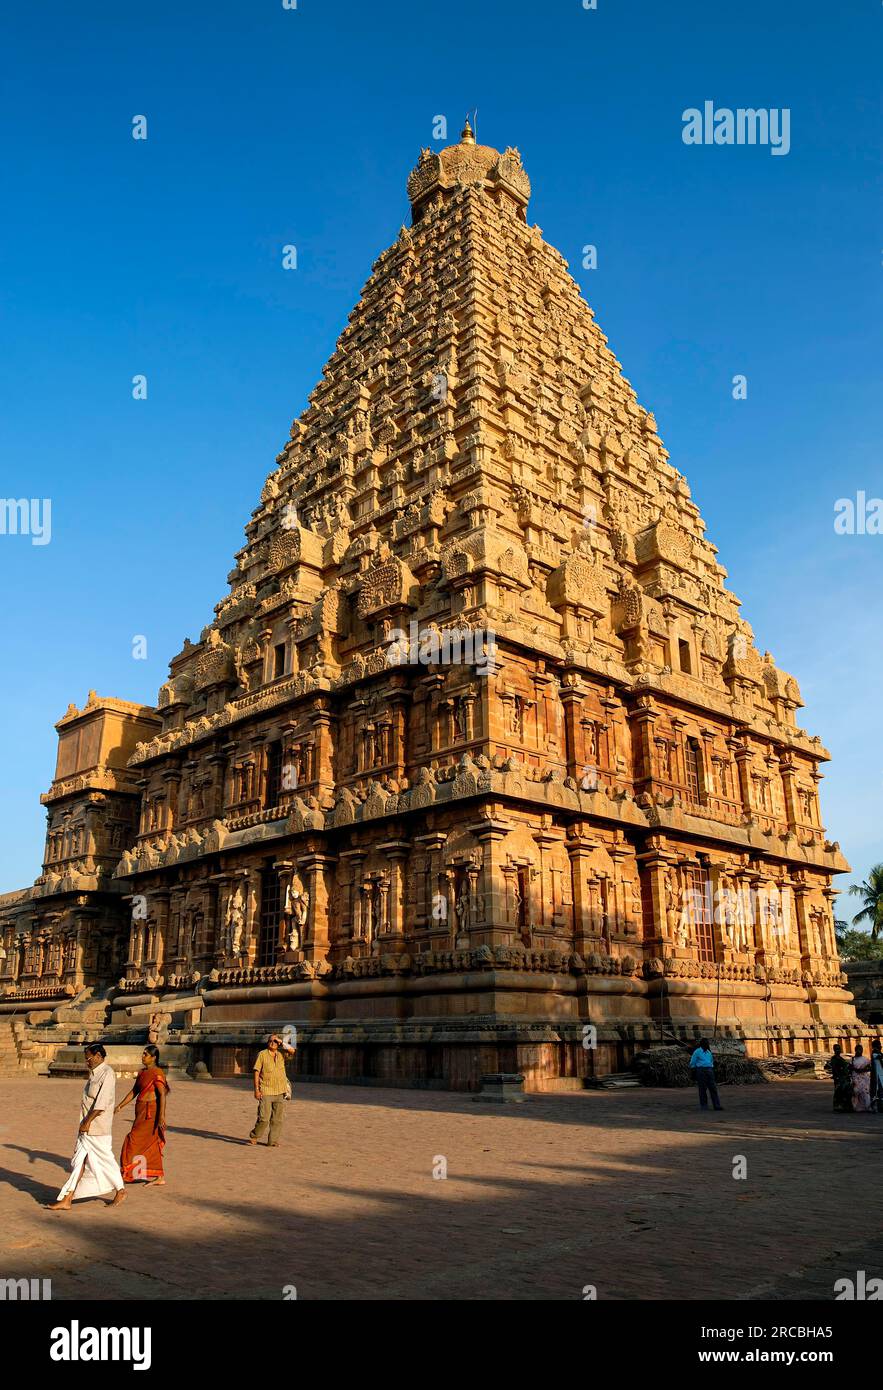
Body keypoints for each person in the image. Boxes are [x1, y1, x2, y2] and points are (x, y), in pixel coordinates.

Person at [47, 1043, 126, 1211]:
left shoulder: (107, 1074)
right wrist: (83, 1123)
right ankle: (67, 1198)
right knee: (78, 1161)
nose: (87, 1062)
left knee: (106, 1160)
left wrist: (88, 1121)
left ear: (98, 1056)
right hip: (85, 1127)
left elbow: (101, 1103)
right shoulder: (94, 1074)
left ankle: (120, 1189)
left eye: (88, 1058)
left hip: (97, 1127)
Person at [116, 1044, 170, 1185]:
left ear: (154, 1057)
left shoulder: (157, 1073)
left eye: (145, 1054)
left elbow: (162, 1095)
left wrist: (161, 1116)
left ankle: (126, 1172)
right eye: (143, 1054)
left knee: (131, 1140)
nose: (142, 1056)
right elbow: (134, 1092)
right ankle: (159, 1176)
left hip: (150, 1114)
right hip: (140, 1112)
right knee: (151, 1143)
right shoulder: (142, 1073)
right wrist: (120, 1105)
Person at [248, 1033, 296, 1147]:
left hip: (280, 1091)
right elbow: (256, 1072)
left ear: (278, 1044)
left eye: (275, 1041)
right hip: (266, 1090)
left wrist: (281, 1041)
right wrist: (256, 1089)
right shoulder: (262, 1054)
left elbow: (292, 1051)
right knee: (264, 1118)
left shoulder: (281, 1055)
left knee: (277, 1119)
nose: (272, 1043)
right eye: (270, 1040)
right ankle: (254, 1135)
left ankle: (272, 1141)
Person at [688, 1037, 723, 1111]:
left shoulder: (709, 1052)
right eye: (706, 1043)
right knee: (702, 1089)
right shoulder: (697, 1052)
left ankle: (716, 1105)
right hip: (701, 1071)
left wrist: (711, 1068)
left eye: (707, 1043)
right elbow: (692, 1062)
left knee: (713, 1088)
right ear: (702, 1044)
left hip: (709, 1070)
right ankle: (704, 1106)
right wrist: (695, 1070)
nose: (707, 1044)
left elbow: (711, 1061)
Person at [831, 1043, 853, 1113]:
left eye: (839, 1049)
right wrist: (837, 1077)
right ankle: (838, 1107)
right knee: (839, 1092)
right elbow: (834, 1069)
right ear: (834, 1050)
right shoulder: (834, 1059)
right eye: (837, 1049)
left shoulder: (841, 1058)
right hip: (839, 1078)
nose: (838, 1050)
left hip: (844, 1077)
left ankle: (845, 1106)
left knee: (845, 1092)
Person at [851, 1044, 872, 1112]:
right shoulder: (853, 1059)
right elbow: (852, 1068)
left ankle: (867, 1106)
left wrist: (862, 1070)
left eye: (861, 1049)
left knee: (865, 1092)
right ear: (855, 1050)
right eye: (858, 1049)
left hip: (864, 1078)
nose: (860, 1051)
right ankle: (857, 1107)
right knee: (856, 1091)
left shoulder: (865, 1059)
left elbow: (869, 1068)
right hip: (856, 1078)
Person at [869, 1039, 883, 1113]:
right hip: (877, 1074)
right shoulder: (875, 1053)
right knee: (877, 1090)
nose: (881, 1046)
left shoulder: (878, 1053)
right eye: (879, 1045)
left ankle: (879, 1106)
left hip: (880, 1073)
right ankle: (877, 1106)